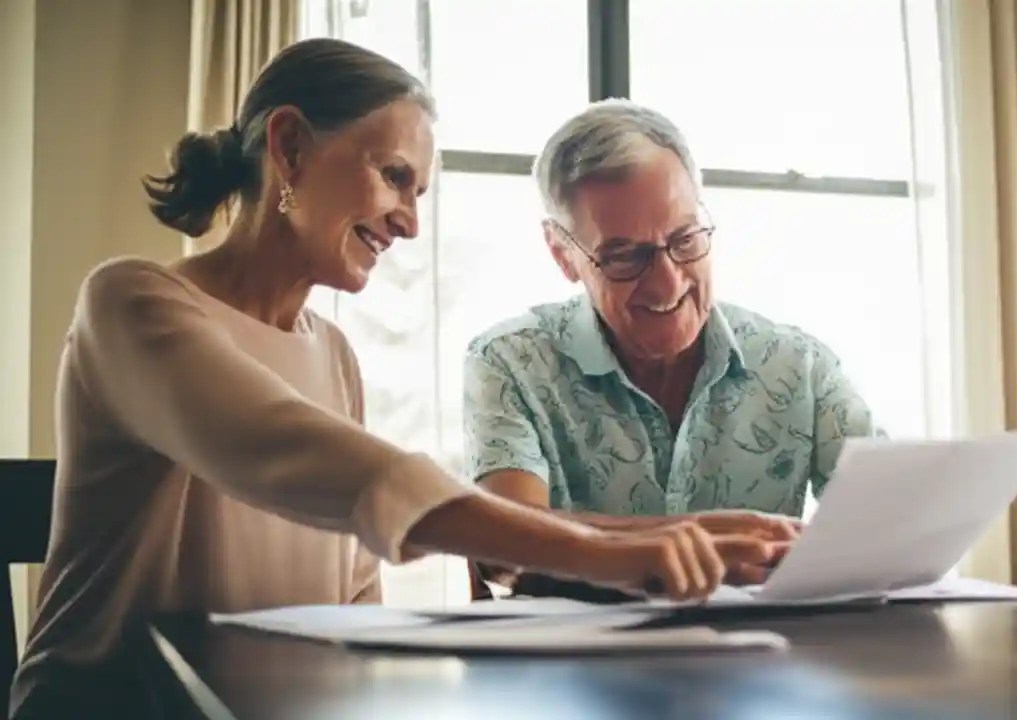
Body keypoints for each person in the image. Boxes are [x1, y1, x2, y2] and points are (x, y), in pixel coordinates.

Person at [9, 40, 774, 718]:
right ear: (291, 147)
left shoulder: (333, 354)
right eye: (393, 176)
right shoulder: (133, 303)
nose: (409, 222)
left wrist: (660, 535)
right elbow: (302, 458)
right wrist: (612, 552)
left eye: (419, 193)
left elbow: (352, 607)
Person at [463, 100, 886, 587]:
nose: (667, 284)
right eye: (624, 256)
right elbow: (503, 543)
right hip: (579, 657)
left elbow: (888, 524)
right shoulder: (511, 361)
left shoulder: (801, 365)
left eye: (685, 240)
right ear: (563, 254)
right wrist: (697, 542)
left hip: (766, 655)